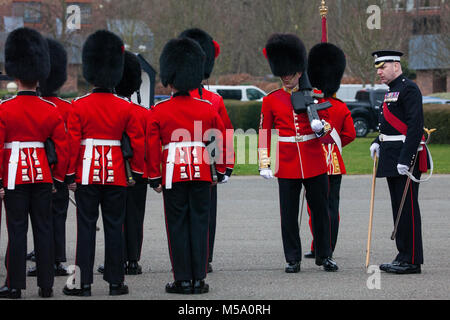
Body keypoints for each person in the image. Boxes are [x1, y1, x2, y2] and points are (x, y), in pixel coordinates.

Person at [62, 30, 145, 297]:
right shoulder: (126, 107)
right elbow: (137, 144)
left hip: (86, 175)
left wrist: (69, 175)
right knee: (114, 227)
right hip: (117, 176)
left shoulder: (78, 105)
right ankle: (116, 282)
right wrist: (139, 171)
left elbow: (72, 144)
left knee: (85, 228)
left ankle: (82, 284)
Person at [147, 37, 227, 294]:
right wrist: (220, 170)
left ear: (169, 79)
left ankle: (182, 279)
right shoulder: (207, 108)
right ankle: (199, 279)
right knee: (200, 224)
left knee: (177, 225)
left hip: (173, 175)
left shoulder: (159, 110)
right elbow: (218, 140)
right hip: (203, 173)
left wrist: (154, 178)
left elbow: (151, 148)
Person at [258, 33, 338, 273]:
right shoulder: (271, 100)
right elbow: (264, 132)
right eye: (283, 75)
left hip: (313, 159)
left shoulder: (315, 95)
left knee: (321, 213)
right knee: (289, 215)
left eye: (290, 74)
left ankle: (325, 255)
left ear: (299, 71)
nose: (286, 78)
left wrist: (319, 126)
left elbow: (329, 129)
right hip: (287, 162)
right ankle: (292, 258)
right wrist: (264, 162)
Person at [0, 27, 69, 299]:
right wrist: (57, 179)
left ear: (15, 74)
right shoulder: (51, 110)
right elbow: (61, 149)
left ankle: (14, 285)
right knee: (44, 228)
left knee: (17, 231)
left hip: (15, 176)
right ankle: (46, 285)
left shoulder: (4, 109)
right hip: (43, 177)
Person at [180, 28, 235, 273]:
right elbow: (224, 136)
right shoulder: (213, 101)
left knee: (183, 217)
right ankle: (205, 258)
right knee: (205, 216)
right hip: (205, 167)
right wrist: (223, 168)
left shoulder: (208, 100)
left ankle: (189, 260)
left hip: (182, 166)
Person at [370, 50, 428, 274]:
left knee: (408, 208)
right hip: (390, 155)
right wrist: (377, 141)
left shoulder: (409, 88)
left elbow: (414, 125)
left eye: (382, 67)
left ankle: (412, 259)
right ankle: (402, 254)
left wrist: (406, 158)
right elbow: (390, 124)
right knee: (398, 208)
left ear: (396, 65)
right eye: (378, 68)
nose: (379, 72)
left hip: (404, 157)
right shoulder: (391, 91)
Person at [303, 43, 356, 259]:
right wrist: (334, 146)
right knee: (331, 207)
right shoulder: (341, 106)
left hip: (312, 160)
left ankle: (319, 246)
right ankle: (327, 247)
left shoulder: (308, 105)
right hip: (333, 161)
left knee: (315, 208)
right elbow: (350, 134)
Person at [26, 38, 72, 278]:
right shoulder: (66, 107)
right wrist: (66, 175)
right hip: (59, 171)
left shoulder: (38, 105)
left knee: (41, 219)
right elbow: (70, 145)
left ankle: (45, 260)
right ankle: (56, 260)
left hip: (39, 171)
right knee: (57, 217)